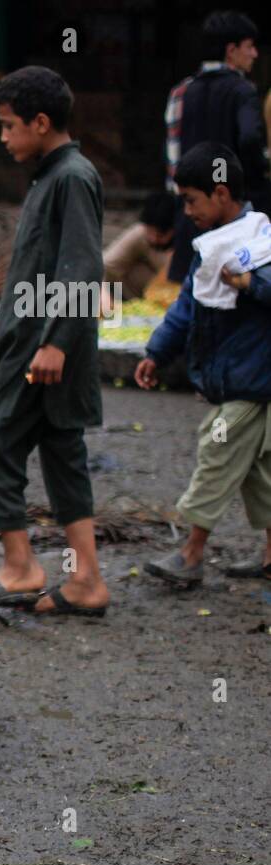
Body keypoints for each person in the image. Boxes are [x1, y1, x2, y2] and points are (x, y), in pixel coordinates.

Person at [0, 66, 110, 617]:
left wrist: (55, 342)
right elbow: (38, 269)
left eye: (9, 125)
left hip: (47, 350)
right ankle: (86, 580)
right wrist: (4, 321)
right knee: (63, 450)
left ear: (41, 123)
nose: (3, 136)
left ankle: (21, 567)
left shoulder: (71, 177)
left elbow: (83, 268)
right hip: (35, 339)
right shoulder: (52, 175)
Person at [136, 144, 271, 585]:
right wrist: (158, 352)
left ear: (220, 193)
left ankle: (192, 553)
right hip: (236, 380)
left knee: (216, 450)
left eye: (192, 200)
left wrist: (249, 281)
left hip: (251, 379)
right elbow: (188, 306)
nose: (186, 211)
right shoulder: (211, 248)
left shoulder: (258, 241)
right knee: (258, 468)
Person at [164, 10, 269, 282]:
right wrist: (256, 176)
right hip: (233, 220)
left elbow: (174, 165)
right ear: (231, 50)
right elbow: (249, 140)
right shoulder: (242, 91)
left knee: (193, 293)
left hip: (193, 220)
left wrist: (188, 204)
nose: (255, 54)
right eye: (250, 46)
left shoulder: (181, 92)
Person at [103, 191, 175, 302]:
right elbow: (107, 264)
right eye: (150, 232)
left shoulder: (185, 241)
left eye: (160, 235)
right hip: (136, 298)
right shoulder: (140, 233)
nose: (153, 239)